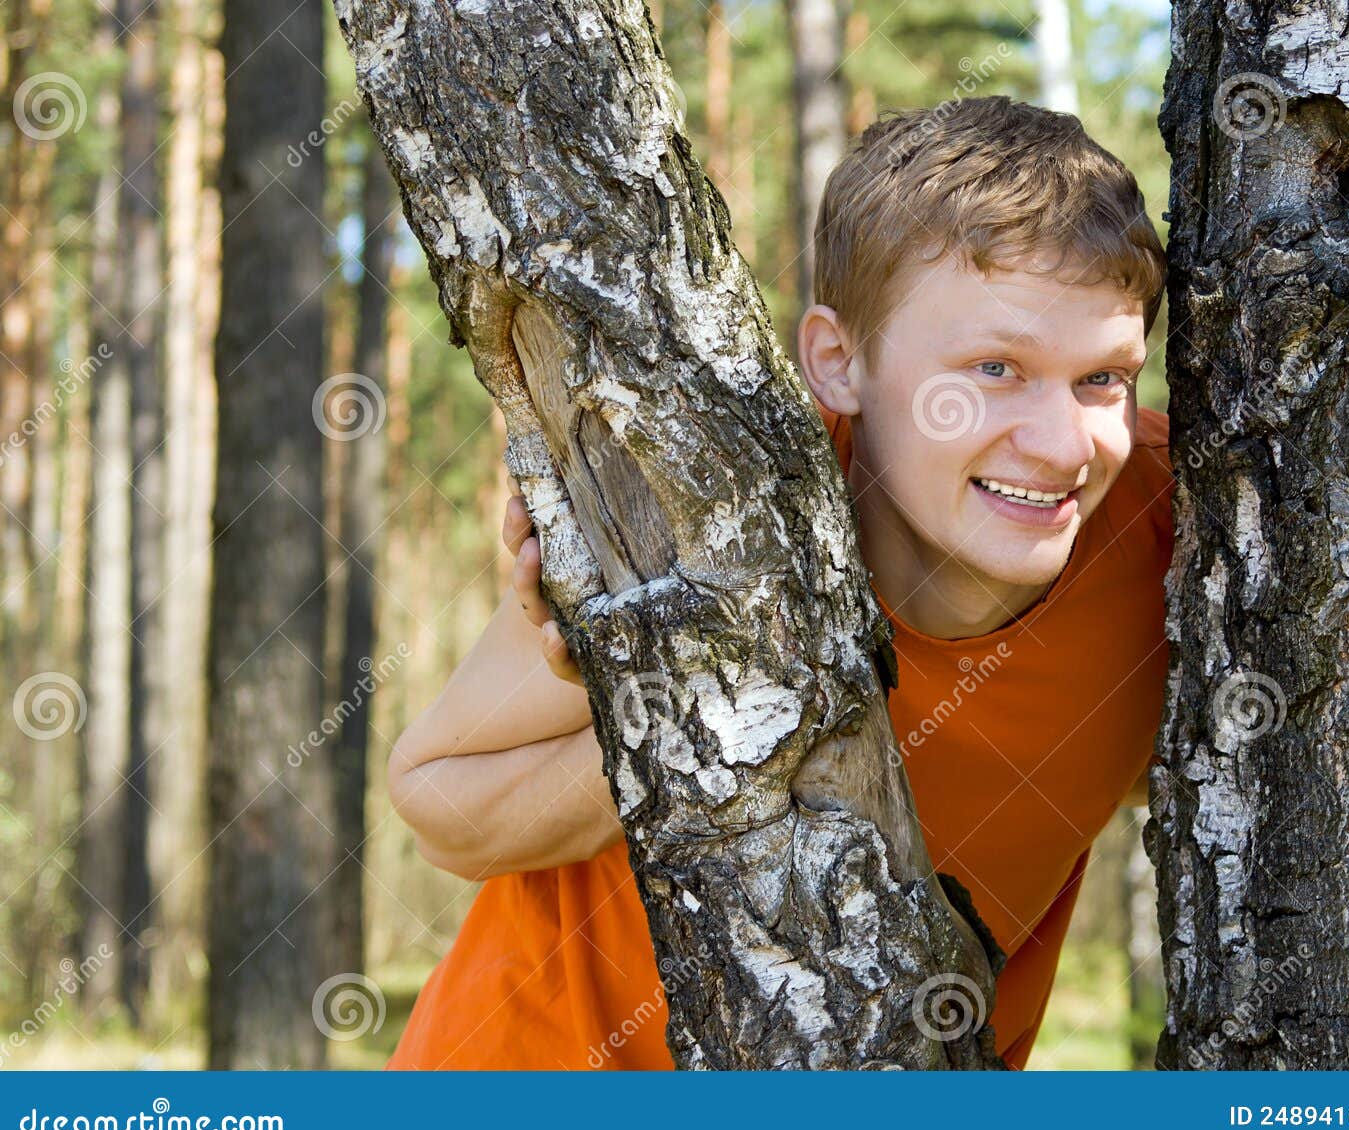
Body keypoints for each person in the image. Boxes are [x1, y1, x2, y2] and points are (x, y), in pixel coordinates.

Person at [385, 95, 1172, 1070]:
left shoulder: (1174, 530)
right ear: (839, 364)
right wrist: (696, 716)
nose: (1062, 446)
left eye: (1102, 378)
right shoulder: (710, 492)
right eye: (995, 367)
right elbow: (438, 804)